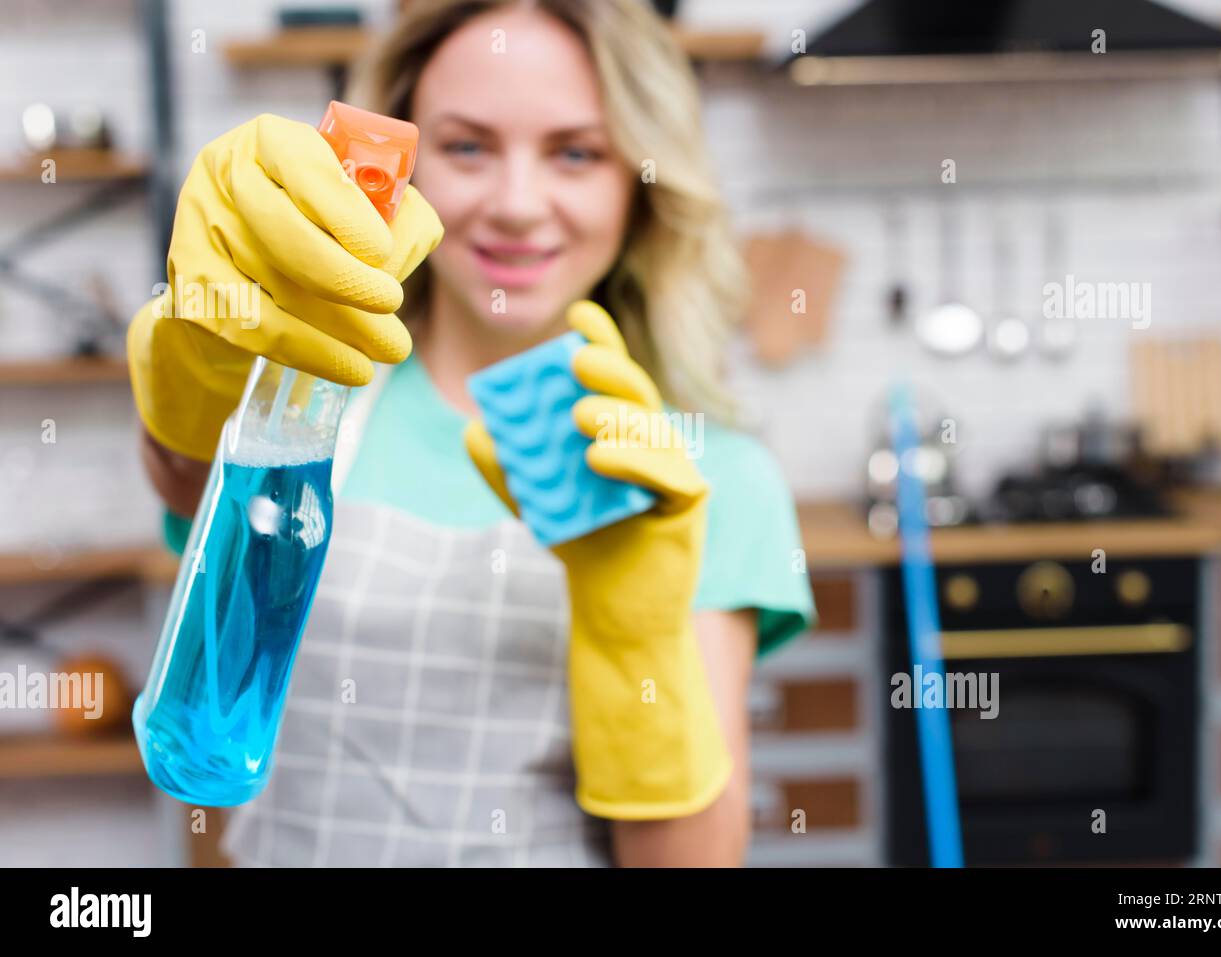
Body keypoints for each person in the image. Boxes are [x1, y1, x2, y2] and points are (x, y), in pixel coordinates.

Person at [128, 0, 815, 867]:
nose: (517, 205)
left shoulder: (706, 471)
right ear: (401, 171)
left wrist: (630, 643)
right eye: (465, 147)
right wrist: (205, 362)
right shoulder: (311, 397)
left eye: (576, 152)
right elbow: (188, 478)